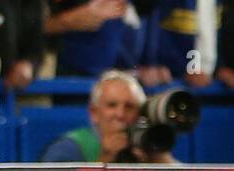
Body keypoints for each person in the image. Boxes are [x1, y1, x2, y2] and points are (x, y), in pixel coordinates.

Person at [39, 69, 173, 164]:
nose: (120, 114)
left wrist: (158, 157)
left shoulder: (145, 145)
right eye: (112, 105)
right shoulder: (69, 147)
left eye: (129, 106)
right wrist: (104, 159)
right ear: (94, 113)